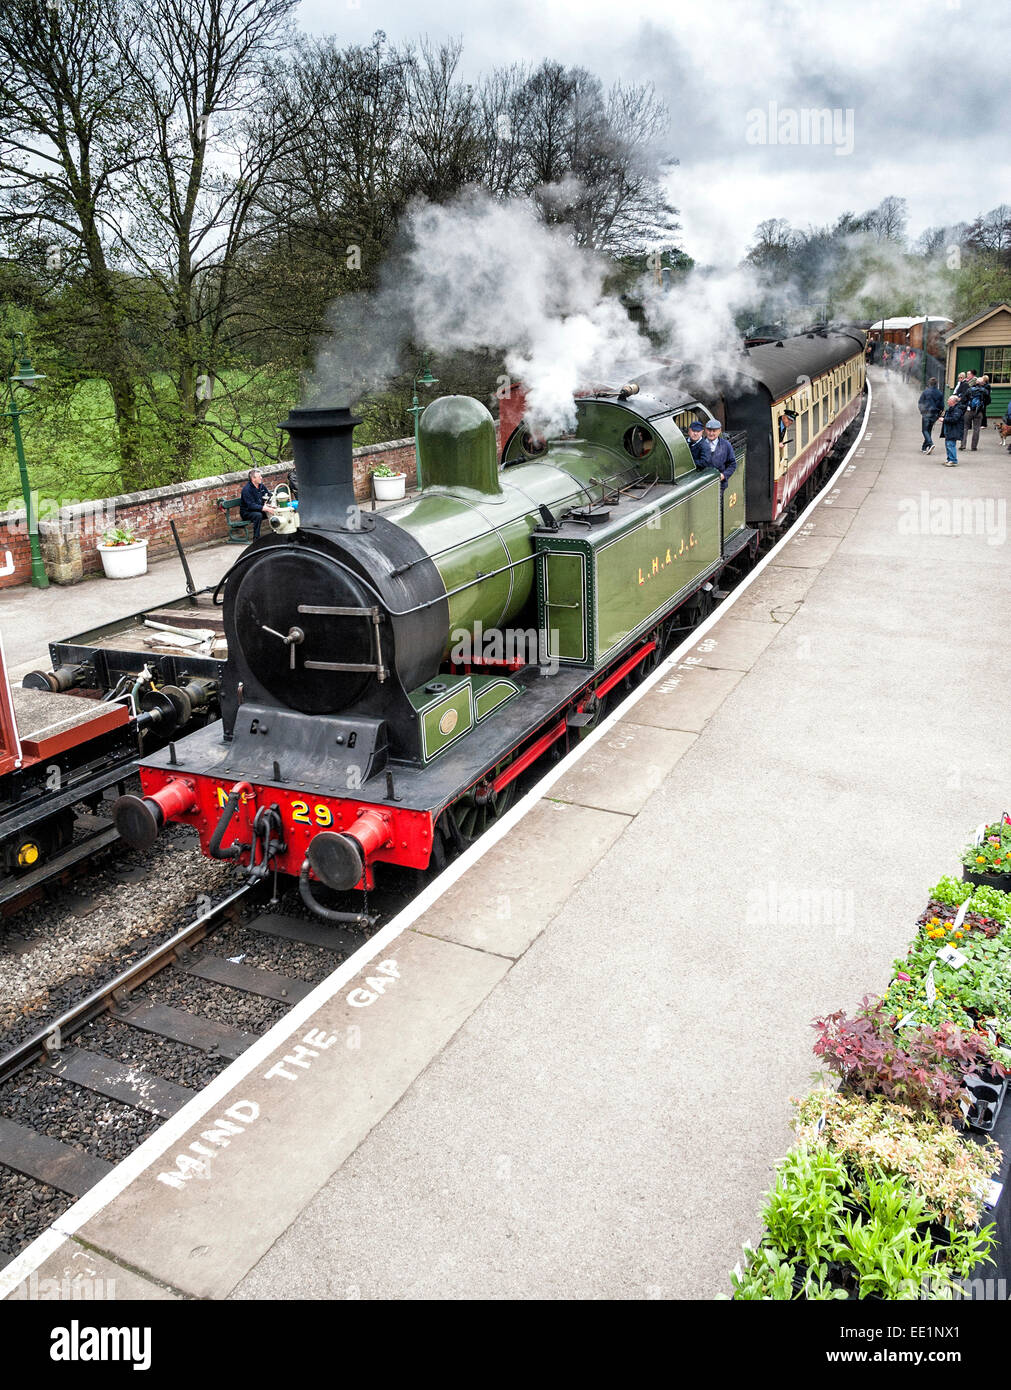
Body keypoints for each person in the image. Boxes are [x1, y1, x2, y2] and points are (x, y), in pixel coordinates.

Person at [239, 467, 276, 539]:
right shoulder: (246, 489)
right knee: (258, 515)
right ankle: (256, 538)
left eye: (261, 476)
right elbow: (250, 505)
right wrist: (264, 508)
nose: (261, 478)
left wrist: (269, 504)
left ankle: (276, 531)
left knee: (275, 511)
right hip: (247, 512)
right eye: (259, 477)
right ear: (253, 479)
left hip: (259, 508)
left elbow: (268, 495)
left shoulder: (261, 486)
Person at [699, 418, 736, 490]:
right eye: (709, 430)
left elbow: (732, 464)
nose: (711, 433)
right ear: (705, 430)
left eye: (714, 431)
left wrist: (724, 475)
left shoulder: (726, 445)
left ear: (719, 431)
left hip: (720, 485)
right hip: (702, 486)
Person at [963, 374, 988, 452]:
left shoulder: (969, 390)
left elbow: (964, 399)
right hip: (979, 412)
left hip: (969, 410)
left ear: (976, 382)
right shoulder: (985, 391)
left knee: (965, 428)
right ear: (982, 383)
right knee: (976, 429)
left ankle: (963, 445)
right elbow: (988, 401)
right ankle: (974, 447)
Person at [917, 378, 942, 453]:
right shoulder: (940, 393)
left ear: (929, 383)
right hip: (935, 414)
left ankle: (930, 444)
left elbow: (920, 402)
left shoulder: (925, 392)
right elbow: (942, 405)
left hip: (926, 413)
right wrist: (939, 414)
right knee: (929, 430)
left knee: (924, 430)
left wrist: (922, 411)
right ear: (936, 384)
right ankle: (924, 447)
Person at [939, 395, 965, 467]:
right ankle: (949, 459)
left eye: (948, 400)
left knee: (951, 445)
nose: (947, 401)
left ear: (953, 401)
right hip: (949, 430)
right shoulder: (951, 409)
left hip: (953, 430)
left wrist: (944, 419)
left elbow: (954, 419)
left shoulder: (957, 410)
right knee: (948, 445)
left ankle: (953, 460)